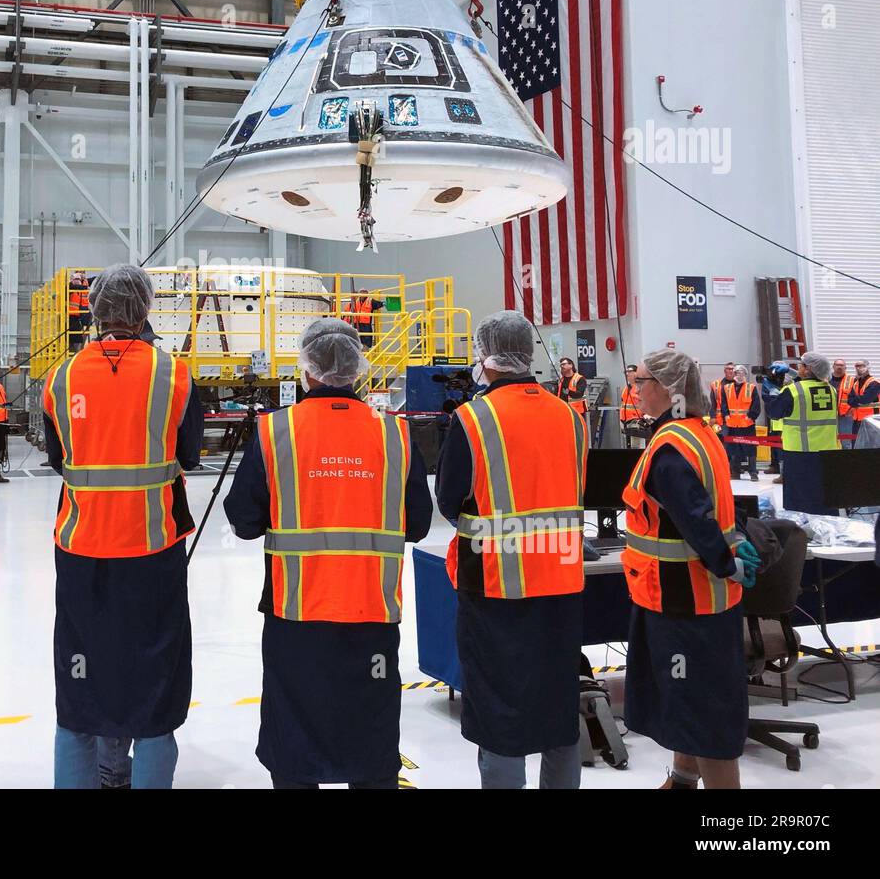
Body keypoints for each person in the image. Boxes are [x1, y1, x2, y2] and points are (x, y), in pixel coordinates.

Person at [224, 319, 433, 789]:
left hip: (297, 612)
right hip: (372, 612)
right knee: (370, 733)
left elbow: (243, 521)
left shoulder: (276, 431)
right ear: (358, 368)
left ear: (308, 368)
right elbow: (418, 524)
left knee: (294, 736)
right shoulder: (394, 435)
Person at [43, 263, 203, 789]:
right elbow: (190, 454)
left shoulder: (60, 378)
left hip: (82, 549)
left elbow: (57, 455)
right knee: (155, 680)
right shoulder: (174, 375)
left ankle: (97, 773)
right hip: (152, 550)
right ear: (146, 310)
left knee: (81, 682)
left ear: (93, 310)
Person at [435, 311, 588, 789]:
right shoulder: (569, 415)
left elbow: (448, 501)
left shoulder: (474, 419)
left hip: (495, 585)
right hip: (562, 583)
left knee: (499, 710)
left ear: (487, 355)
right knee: (558, 705)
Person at [621, 349, 760, 789]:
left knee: (702, 710)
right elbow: (717, 508)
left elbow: (698, 518)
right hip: (700, 598)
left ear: (666, 387)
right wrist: (733, 549)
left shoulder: (670, 449)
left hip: (683, 600)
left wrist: (724, 559)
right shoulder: (700, 433)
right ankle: (682, 779)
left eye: (641, 381)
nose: (635, 390)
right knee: (691, 699)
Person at [760, 351, 839, 513]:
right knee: (823, 494)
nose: (799, 368)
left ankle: (801, 530)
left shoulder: (793, 391)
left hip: (799, 451)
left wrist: (772, 391)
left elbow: (774, 412)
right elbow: (811, 385)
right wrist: (790, 372)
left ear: (809, 369)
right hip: (827, 452)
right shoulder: (831, 390)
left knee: (799, 497)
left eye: (801, 366)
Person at [719, 365, 762, 481]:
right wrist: (726, 416)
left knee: (751, 449)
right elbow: (723, 405)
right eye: (737, 373)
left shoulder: (751, 388)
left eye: (742, 373)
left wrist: (750, 417)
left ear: (746, 375)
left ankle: (753, 473)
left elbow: (756, 406)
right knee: (733, 449)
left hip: (747, 425)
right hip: (732, 425)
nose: (740, 375)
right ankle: (735, 472)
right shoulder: (727, 388)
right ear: (734, 374)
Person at [847, 359, 879, 443]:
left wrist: (855, 399)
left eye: (861, 366)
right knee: (856, 443)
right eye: (857, 366)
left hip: (871, 420)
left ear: (868, 367)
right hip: (857, 420)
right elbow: (849, 400)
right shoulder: (856, 383)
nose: (858, 368)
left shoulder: (874, 383)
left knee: (869, 444)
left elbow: (866, 399)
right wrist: (857, 399)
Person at [830, 359, 854, 447]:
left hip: (845, 415)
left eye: (842, 365)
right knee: (829, 439)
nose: (839, 367)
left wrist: (852, 409)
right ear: (833, 366)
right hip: (828, 414)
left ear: (845, 368)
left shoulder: (852, 380)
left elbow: (857, 397)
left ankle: (847, 460)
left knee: (845, 441)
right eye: (837, 365)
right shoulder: (825, 379)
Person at [67, 270, 92, 352]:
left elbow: (95, 280)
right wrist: (86, 288)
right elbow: (73, 287)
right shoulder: (70, 286)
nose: (81, 274)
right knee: (74, 337)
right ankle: (75, 351)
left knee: (85, 331)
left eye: (82, 272)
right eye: (78, 273)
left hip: (83, 312)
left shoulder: (86, 282)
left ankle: (79, 350)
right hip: (72, 315)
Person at [709, 362, 736, 437]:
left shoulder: (740, 385)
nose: (731, 371)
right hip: (722, 422)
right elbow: (713, 403)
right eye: (729, 369)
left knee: (736, 445)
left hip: (737, 422)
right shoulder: (717, 385)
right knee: (723, 443)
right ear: (725, 371)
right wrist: (712, 417)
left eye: (733, 369)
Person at [620, 363, 644, 442]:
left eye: (629, 373)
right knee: (628, 446)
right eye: (626, 373)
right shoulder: (627, 388)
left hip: (636, 422)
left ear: (635, 374)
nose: (627, 375)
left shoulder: (641, 387)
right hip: (625, 422)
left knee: (636, 446)